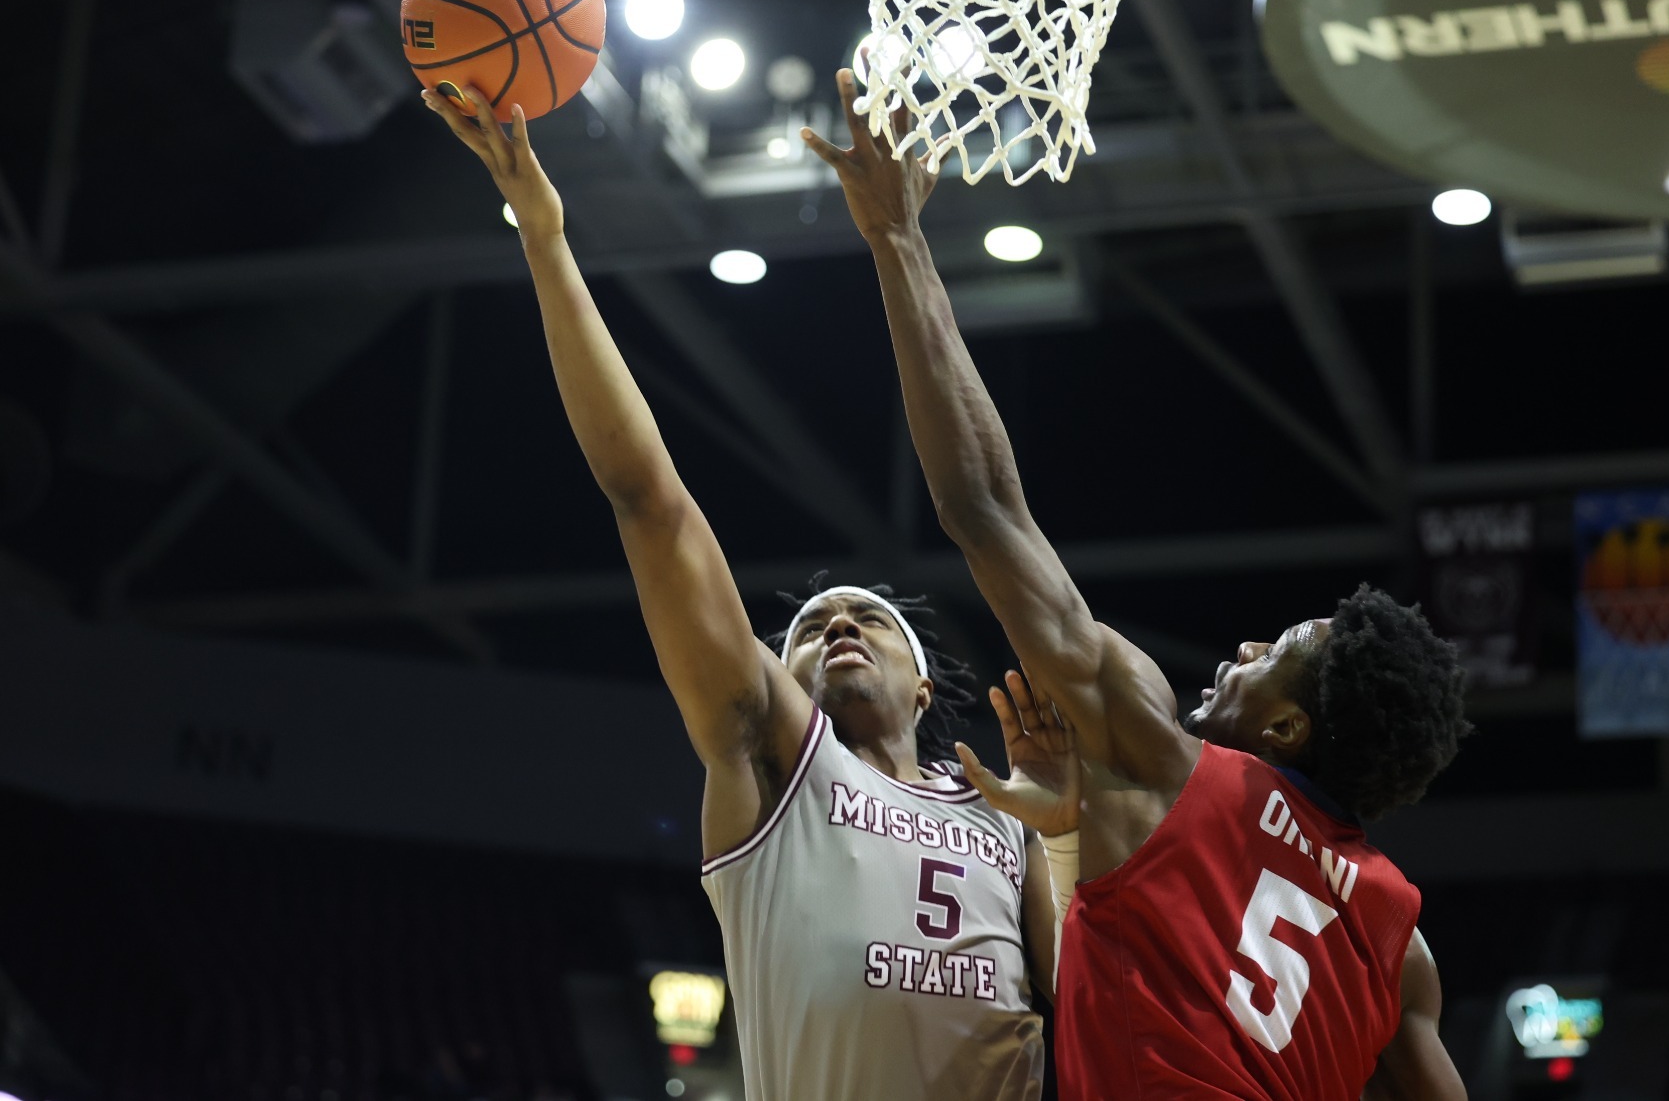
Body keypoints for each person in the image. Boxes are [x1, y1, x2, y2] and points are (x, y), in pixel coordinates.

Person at [801, 70, 1473, 1101]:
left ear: (1290, 731)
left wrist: (896, 239)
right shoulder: (1399, 940)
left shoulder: (1161, 761)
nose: (1241, 652)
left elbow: (982, 504)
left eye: (1271, 655)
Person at [425, 87, 1054, 1101]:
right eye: (807, 629)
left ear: (927, 687)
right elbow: (649, 501)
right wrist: (545, 238)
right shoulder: (777, 758)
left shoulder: (1002, 815)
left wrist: (1064, 833)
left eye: (868, 621)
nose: (837, 624)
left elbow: (1086, 1014)